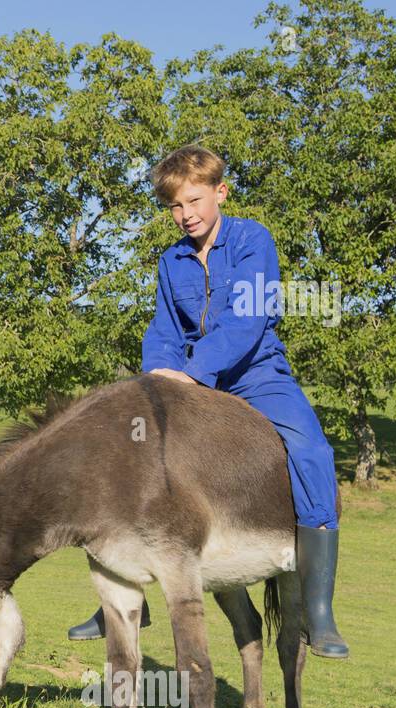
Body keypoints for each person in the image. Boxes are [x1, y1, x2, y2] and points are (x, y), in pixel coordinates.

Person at [67, 145, 348, 659]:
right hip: (188, 378)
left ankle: (318, 607)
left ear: (220, 192)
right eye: (175, 207)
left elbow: (247, 323)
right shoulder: (170, 260)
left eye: (194, 201)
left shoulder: (252, 240)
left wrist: (192, 374)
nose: (186, 215)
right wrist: (158, 379)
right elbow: (164, 329)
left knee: (313, 452)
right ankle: (124, 593)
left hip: (256, 375)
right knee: (123, 448)